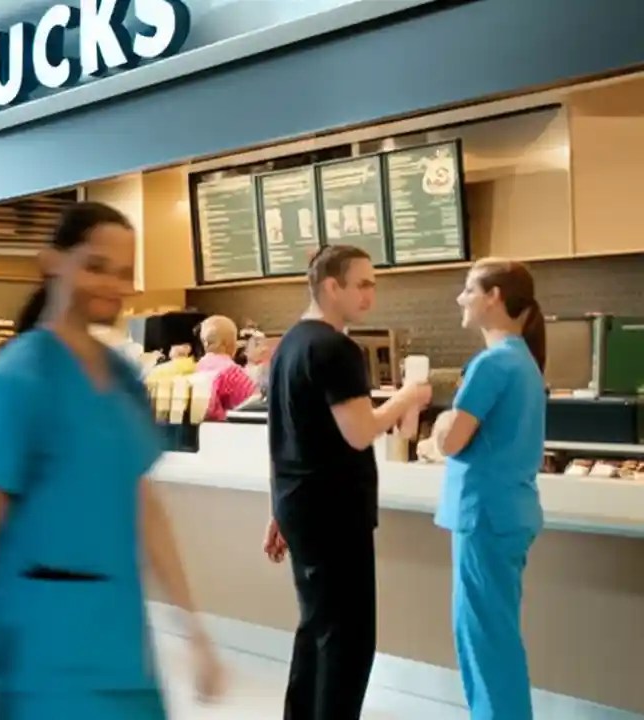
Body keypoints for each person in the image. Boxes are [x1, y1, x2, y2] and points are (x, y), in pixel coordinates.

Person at [0, 202, 222, 720]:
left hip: (121, 647)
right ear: (53, 261)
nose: (113, 285)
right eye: (96, 266)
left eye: (124, 273)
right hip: (37, 656)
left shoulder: (122, 379)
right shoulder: (16, 381)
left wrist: (194, 627)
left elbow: (143, 506)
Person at [263, 244, 431, 720]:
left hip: (300, 505)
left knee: (317, 628)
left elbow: (284, 436)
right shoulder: (336, 348)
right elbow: (359, 432)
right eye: (362, 284)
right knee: (348, 640)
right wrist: (407, 397)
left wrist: (277, 507)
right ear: (331, 286)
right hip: (334, 511)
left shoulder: (289, 345)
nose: (370, 295)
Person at [433, 259, 546, 719]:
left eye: (468, 289)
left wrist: (440, 419)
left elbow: (450, 440)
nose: (461, 299)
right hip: (504, 516)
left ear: (494, 296)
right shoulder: (521, 361)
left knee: (485, 643)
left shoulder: (492, 364)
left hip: (484, 518)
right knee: (493, 636)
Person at [194, 315, 258, 421]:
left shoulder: (196, 368)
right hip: (227, 432)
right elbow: (253, 407)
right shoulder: (233, 373)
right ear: (229, 343)